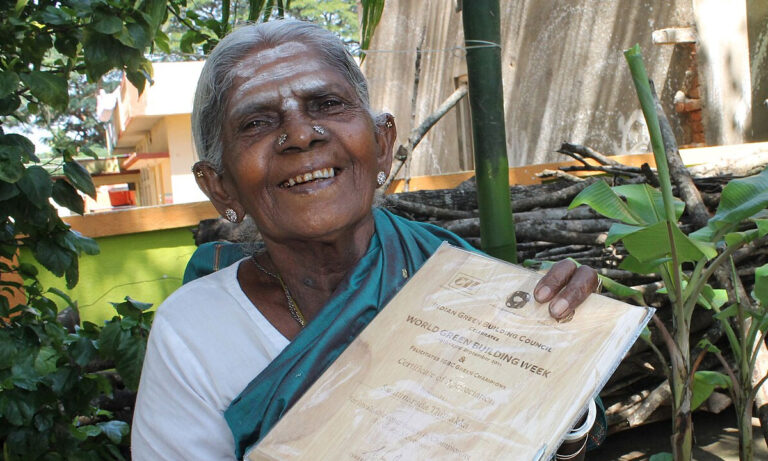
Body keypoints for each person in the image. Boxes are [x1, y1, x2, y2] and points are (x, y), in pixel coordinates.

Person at [131, 19, 602, 461]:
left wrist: (557, 354)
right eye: (257, 122)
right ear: (220, 186)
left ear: (381, 144)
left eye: (326, 104)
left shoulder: (457, 278)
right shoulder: (194, 331)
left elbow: (550, 440)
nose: (300, 134)